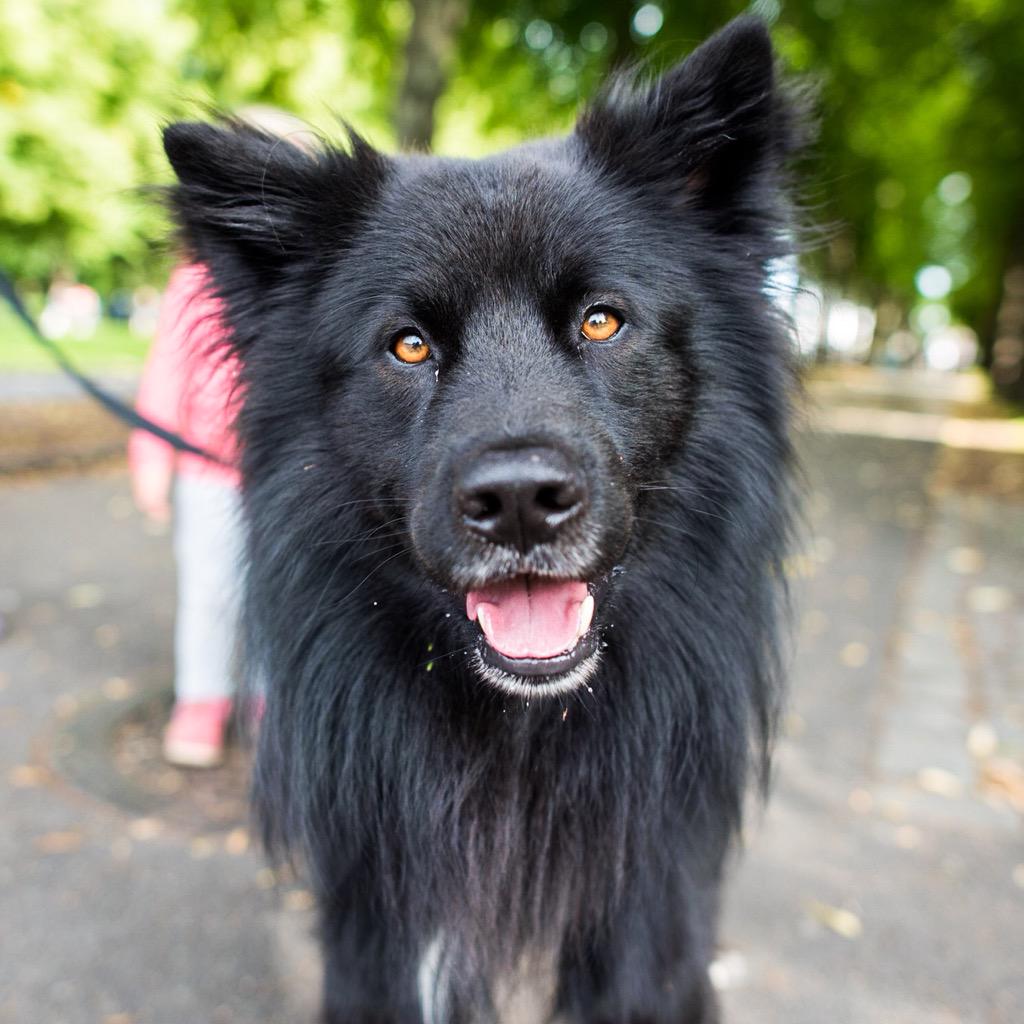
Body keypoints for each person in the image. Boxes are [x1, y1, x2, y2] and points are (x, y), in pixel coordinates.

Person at [129, 263, 244, 767]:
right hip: (209, 473)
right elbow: (167, 376)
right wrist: (152, 463)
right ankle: (203, 700)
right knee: (209, 592)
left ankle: (270, 695)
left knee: (284, 589)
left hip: (281, 474)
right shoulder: (194, 283)